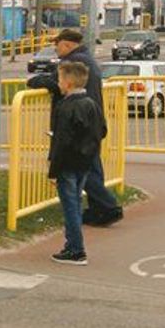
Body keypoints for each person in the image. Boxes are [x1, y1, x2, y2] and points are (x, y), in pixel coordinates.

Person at [27, 28, 123, 226]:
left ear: (67, 44)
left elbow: (54, 83)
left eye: (57, 44)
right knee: (92, 167)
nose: (55, 49)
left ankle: (108, 206)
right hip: (92, 120)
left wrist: (34, 81)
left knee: (79, 167)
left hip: (77, 123)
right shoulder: (87, 59)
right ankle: (99, 209)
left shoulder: (72, 63)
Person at [48, 61, 107, 266]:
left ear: (68, 83)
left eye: (60, 79)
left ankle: (75, 249)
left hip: (67, 164)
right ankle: (73, 246)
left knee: (70, 207)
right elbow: (103, 130)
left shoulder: (66, 107)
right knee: (75, 203)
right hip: (86, 162)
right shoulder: (91, 103)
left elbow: (62, 142)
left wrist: (53, 171)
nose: (58, 83)